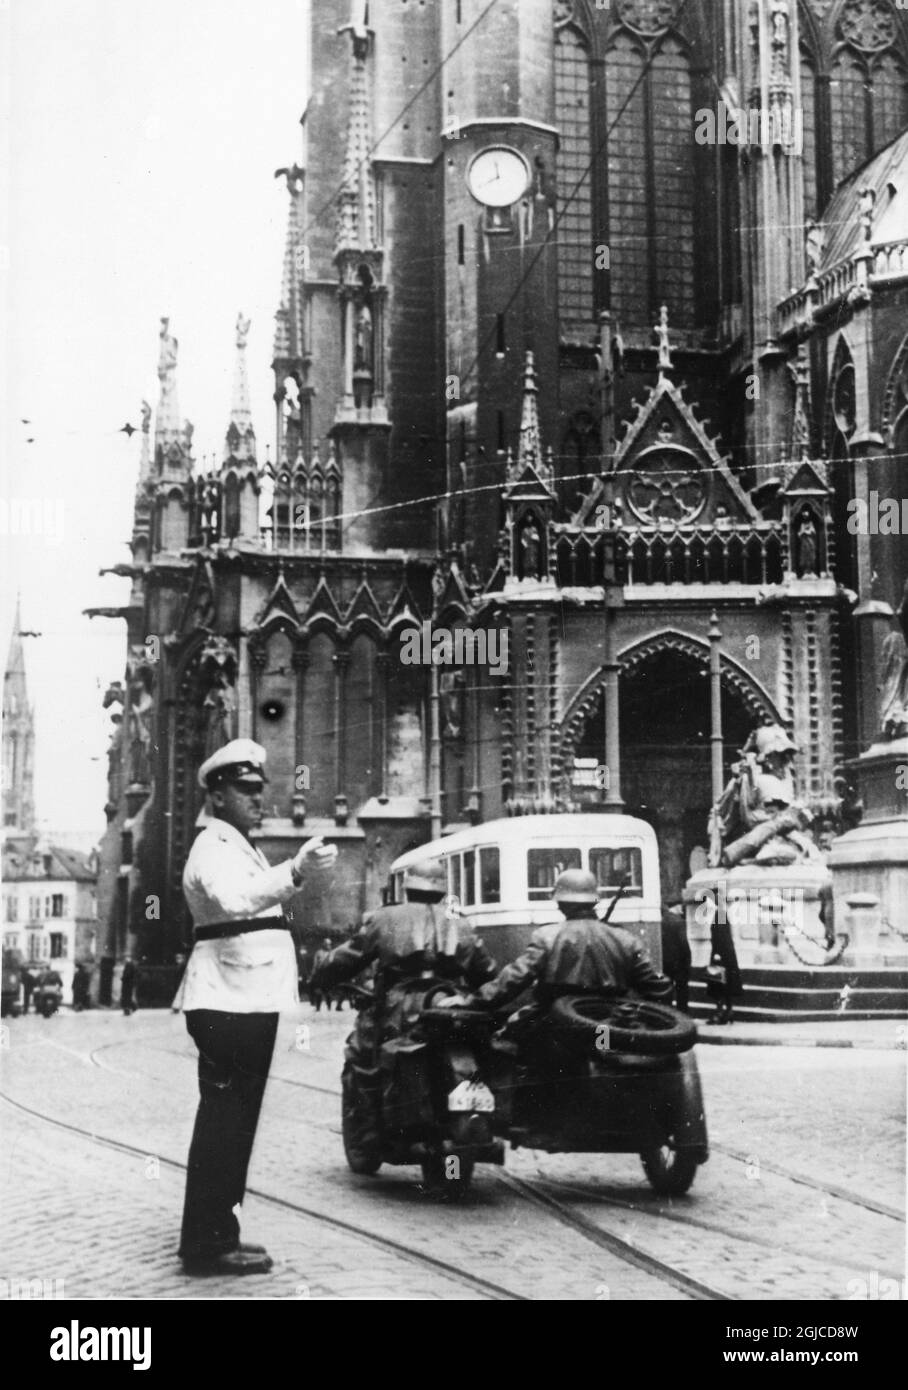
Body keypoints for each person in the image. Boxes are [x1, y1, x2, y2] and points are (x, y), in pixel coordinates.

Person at [173, 738, 337, 1277]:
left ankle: (219, 1234)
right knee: (226, 1123)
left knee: (233, 1123)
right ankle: (208, 1241)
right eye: (244, 790)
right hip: (229, 1002)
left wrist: (294, 869)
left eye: (258, 789)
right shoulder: (213, 848)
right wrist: (295, 870)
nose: (257, 798)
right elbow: (235, 900)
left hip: (242, 998)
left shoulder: (235, 842)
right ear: (217, 796)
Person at [310, 860, 498, 1152]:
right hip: (451, 1001)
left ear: (408, 887)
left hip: (401, 1005)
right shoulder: (461, 921)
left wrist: (321, 973)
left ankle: (369, 1130)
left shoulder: (384, 918)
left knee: (363, 1053)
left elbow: (349, 957)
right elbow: (485, 971)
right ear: (441, 890)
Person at [446, 869, 672, 1017]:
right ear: (593, 901)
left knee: (509, 1046)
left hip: (558, 1024)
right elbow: (656, 987)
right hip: (608, 1027)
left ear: (561, 904)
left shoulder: (546, 937)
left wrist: (470, 1001)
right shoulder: (626, 939)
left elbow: (513, 980)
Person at [704, 904, 742, 1026]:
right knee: (727, 984)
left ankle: (719, 1013)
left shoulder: (719, 914)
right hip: (727, 956)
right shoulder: (721, 914)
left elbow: (721, 937)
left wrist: (717, 954)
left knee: (718, 985)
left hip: (720, 955)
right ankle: (729, 1011)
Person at [660, 902, 691, 1013]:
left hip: (665, 962)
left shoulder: (661, 921)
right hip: (679, 963)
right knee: (682, 991)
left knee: (667, 991)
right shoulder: (679, 921)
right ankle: (683, 1015)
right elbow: (684, 943)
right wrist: (688, 960)